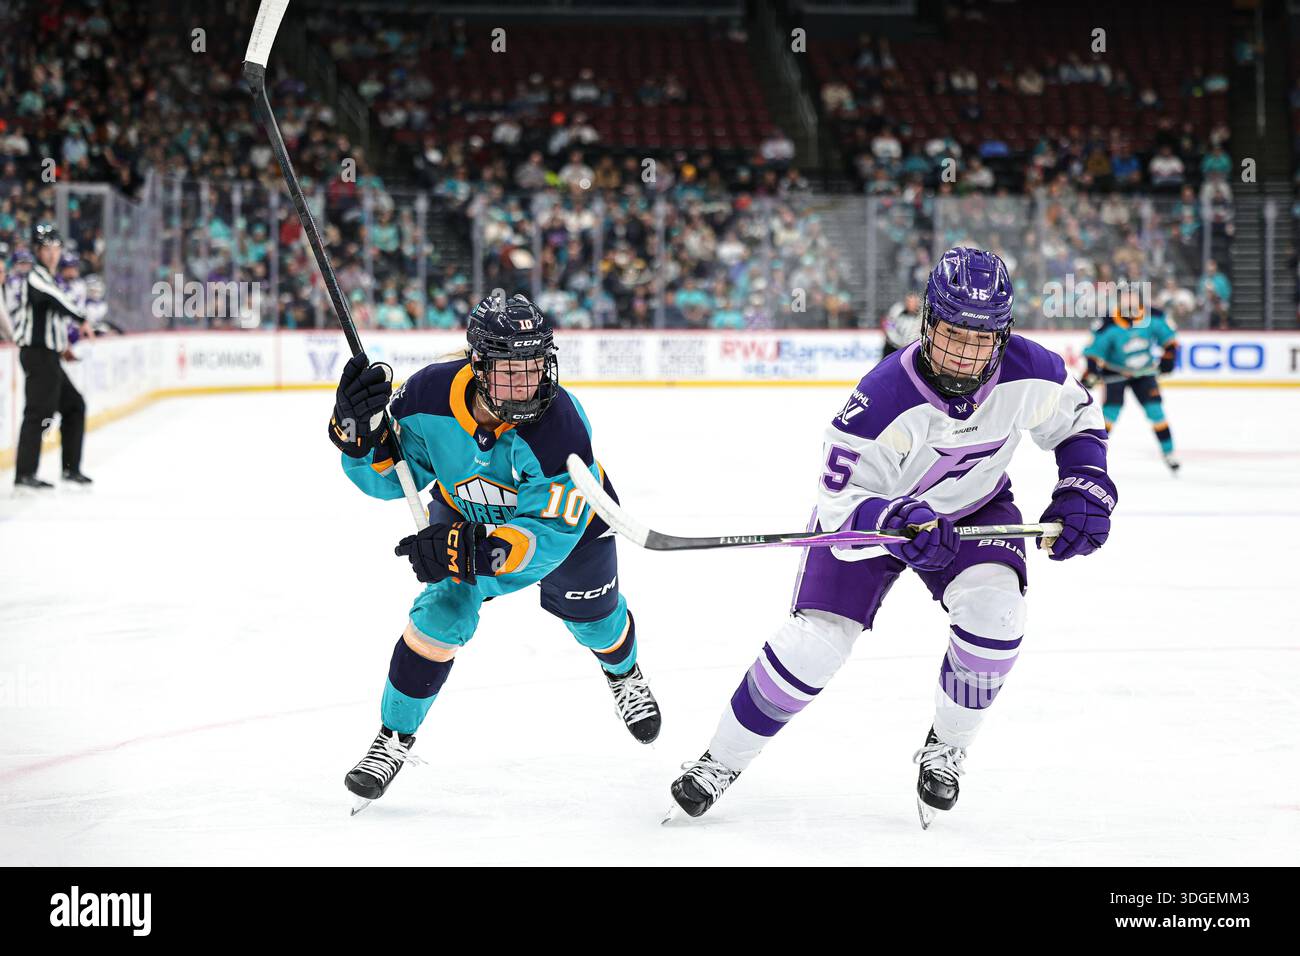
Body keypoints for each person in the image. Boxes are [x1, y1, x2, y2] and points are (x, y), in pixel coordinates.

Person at [668, 248, 1117, 827]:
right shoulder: (877, 402)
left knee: (998, 616)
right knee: (813, 644)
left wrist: (1086, 484)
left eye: (980, 339)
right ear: (928, 321)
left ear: (1003, 335)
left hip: (977, 511)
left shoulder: (1034, 371)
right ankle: (719, 761)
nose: (963, 352)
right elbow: (839, 512)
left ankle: (948, 746)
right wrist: (892, 525)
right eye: (952, 333)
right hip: (875, 520)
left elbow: (1077, 421)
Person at [331, 293, 661, 811]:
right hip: (466, 515)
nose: (526, 384)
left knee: (597, 619)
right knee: (440, 615)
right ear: (477, 364)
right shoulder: (426, 396)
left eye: (534, 368)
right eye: (510, 371)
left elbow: (546, 539)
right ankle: (394, 738)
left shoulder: (560, 426)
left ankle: (623, 673)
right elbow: (394, 481)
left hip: (569, 529)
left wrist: (470, 554)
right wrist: (358, 438)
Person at [11, 224, 93, 492]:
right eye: (46, 248)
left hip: (49, 355)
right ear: (37, 251)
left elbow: (51, 314)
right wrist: (82, 318)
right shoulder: (36, 278)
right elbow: (56, 301)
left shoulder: (48, 278)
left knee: (74, 406)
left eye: (55, 248)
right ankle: (24, 474)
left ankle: (71, 469)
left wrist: (62, 347)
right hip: (37, 355)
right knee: (38, 412)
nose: (52, 254)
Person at [1082, 288, 1180, 473]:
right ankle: (1093, 456)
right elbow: (1094, 350)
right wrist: (1092, 371)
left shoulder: (1153, 317)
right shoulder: (1107, 323)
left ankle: (1169, 453)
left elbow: (1169, 339)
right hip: (1115, 372)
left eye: (1132, 297)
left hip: (1144, 372)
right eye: (1124, 298)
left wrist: (1169, 357)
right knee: (1109, 414)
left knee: (1155, 411)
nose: (1128, 302)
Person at [880, 291, 922, 359]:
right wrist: (900, 343)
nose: (911, 304)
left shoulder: (921, 316)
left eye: (913, 302)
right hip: (893, 347)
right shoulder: (897, 310)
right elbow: (890, 328)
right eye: (909, 301)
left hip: (910, 349)